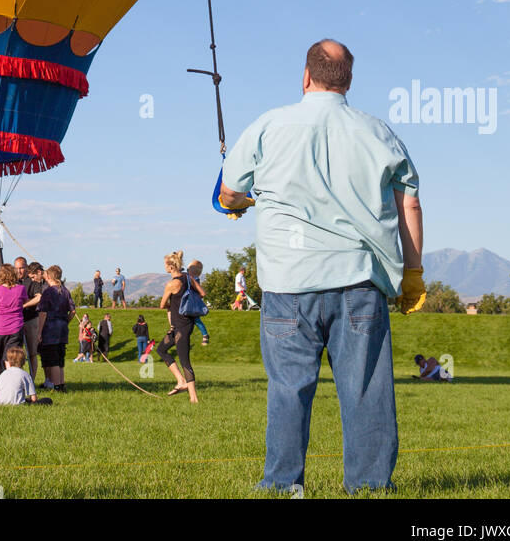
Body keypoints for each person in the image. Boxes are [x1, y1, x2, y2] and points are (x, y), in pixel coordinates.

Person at [220, 38, 425, 495]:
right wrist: (412, 273)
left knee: (289, 389)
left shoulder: (268, 126)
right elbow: (408, 203)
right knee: (367, 391)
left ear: (305, 76)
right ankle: (370, 486)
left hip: (287, 282)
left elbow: (230, 193)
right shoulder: (379, 132)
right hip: (360, 281)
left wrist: (237, 202)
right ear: (348, 81)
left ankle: (282, 485)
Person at [157, 251, 203, 403]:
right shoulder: (188, 278)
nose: (164, 267)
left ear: (170, 266)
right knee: (161, 349)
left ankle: (194, 398)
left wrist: (173, 304)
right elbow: (202, 293)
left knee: (185, 360)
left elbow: (162, 305)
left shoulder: (171, 284)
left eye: (165, 264)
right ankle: (181, 381)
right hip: (184, 324)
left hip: (181, 327)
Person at [36, 265, 75, 392]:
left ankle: (57, 386)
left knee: (53, 360)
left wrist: (39, 332)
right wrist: (65, 322)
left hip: (50, 329)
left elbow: (43, 313)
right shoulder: (65, 291)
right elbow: (73, 311)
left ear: (48, 276)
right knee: (60, 358)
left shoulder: (48, 292)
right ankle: (61, 383)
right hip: (62, 329)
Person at [21, 261, 45, 382]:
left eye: (22, 268)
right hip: (16, 320)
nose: (20, 271)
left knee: (32, 352)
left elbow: (39, 298)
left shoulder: (36, 282)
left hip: (30, 319)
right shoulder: (14, 280)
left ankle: (31, 380)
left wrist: (24, 305)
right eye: (17, 268)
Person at [188, 262, 210, 344]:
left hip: (193, 303)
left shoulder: (195, 279)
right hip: (190, 302)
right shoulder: (190, 278)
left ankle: (205, 334)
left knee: (196, 320)